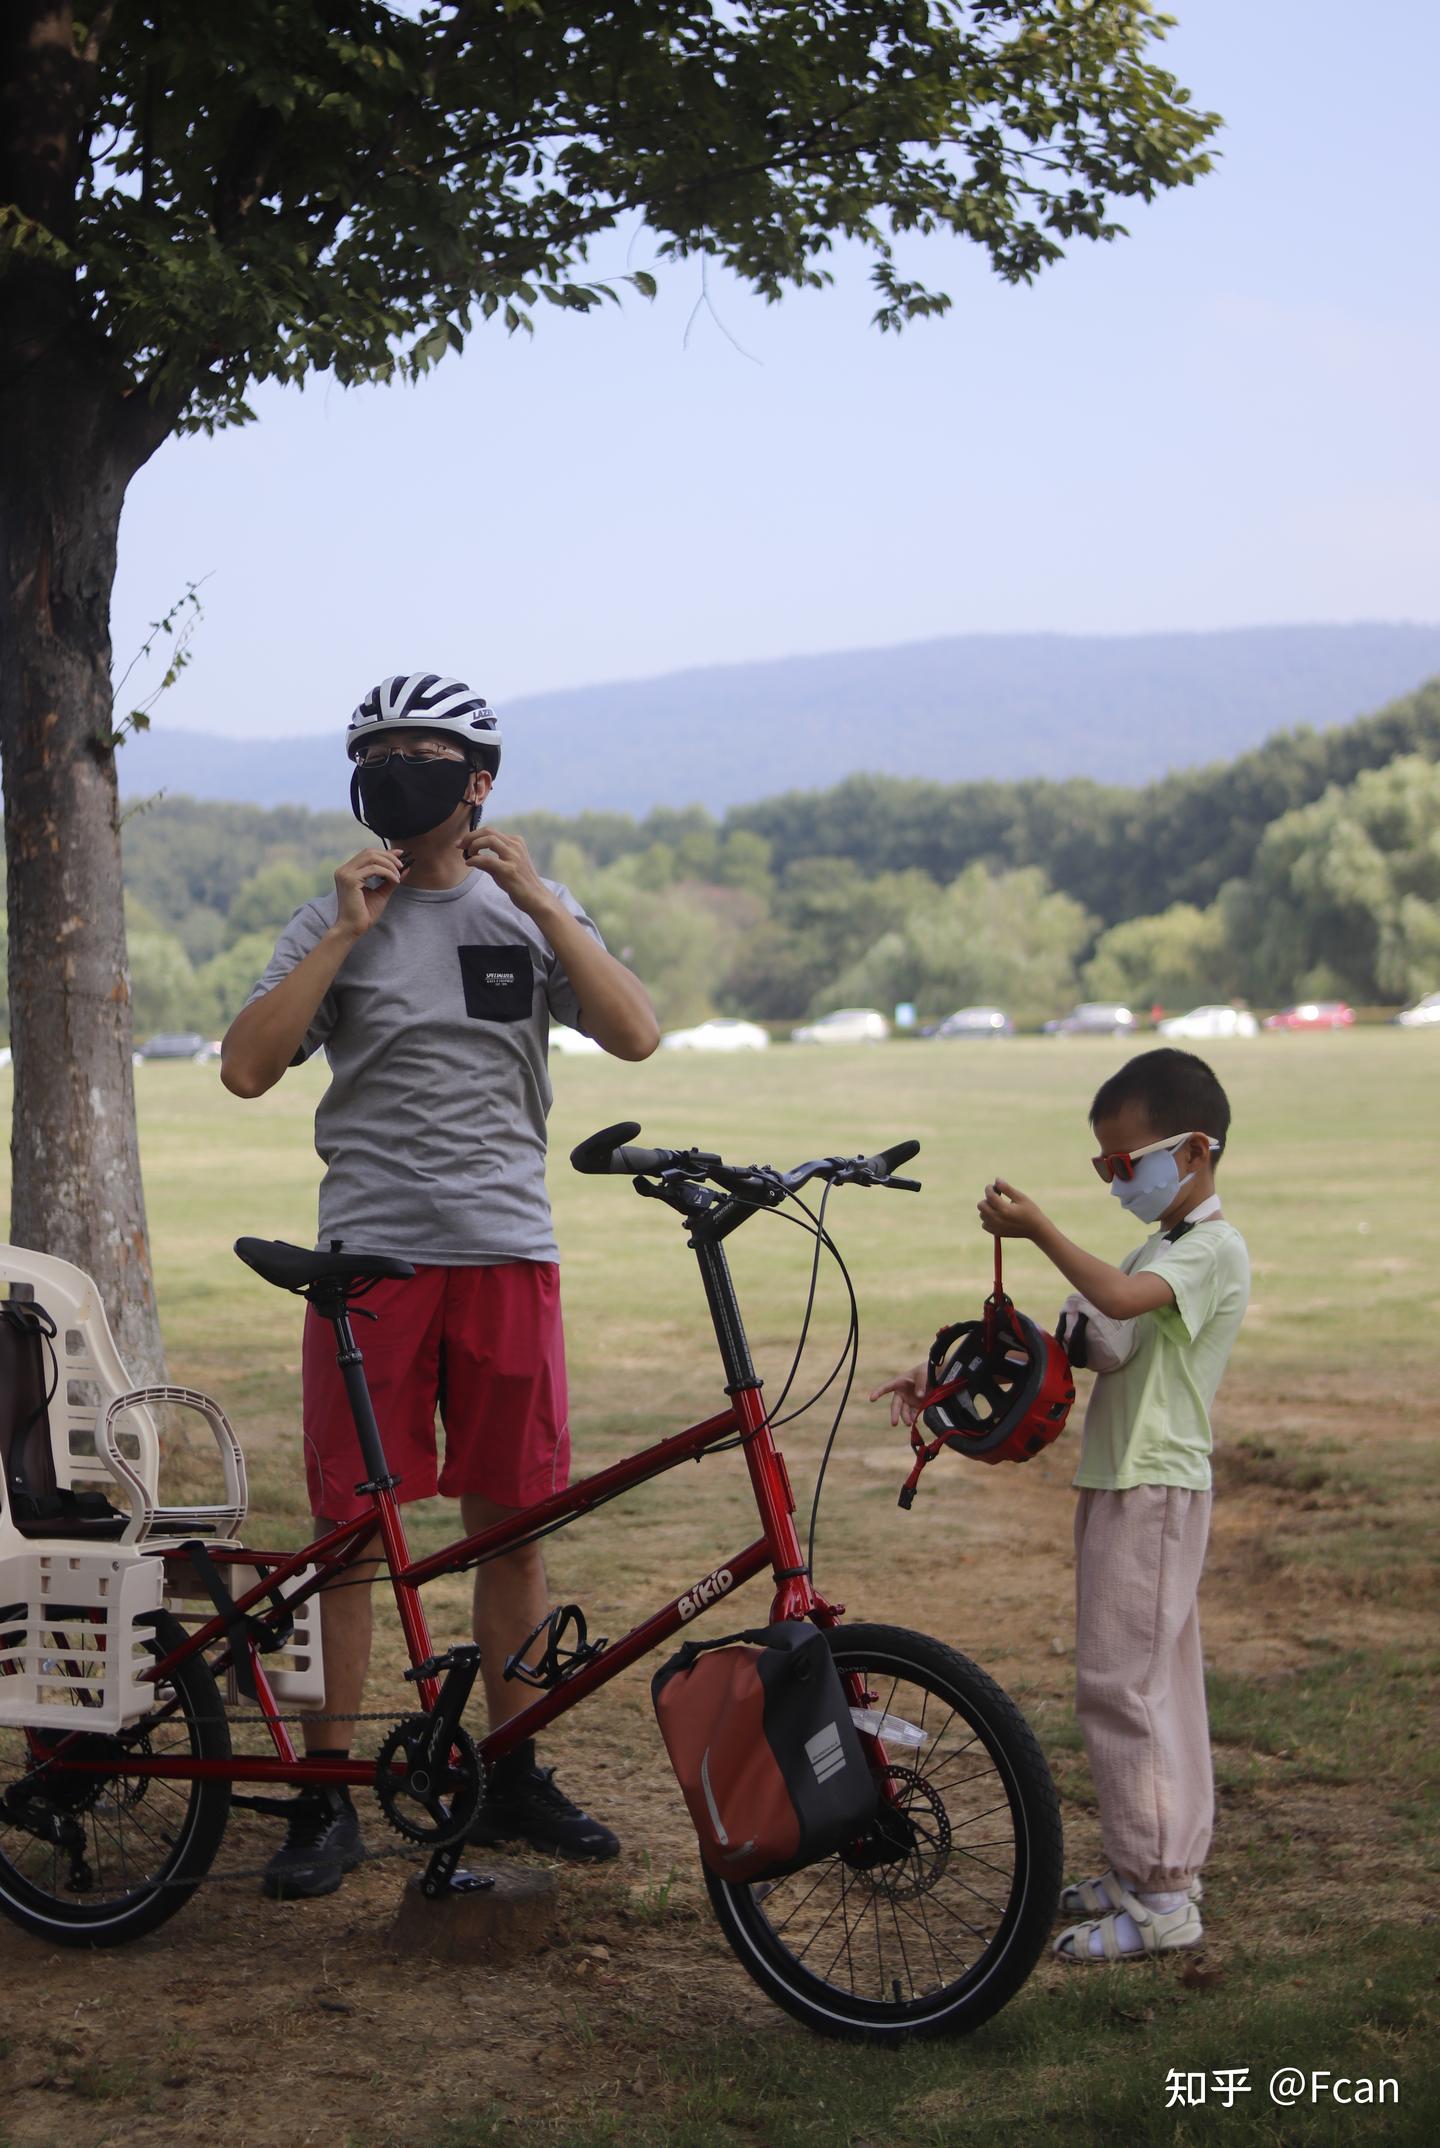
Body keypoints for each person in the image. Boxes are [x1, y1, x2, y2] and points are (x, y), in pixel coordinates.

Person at [222, 672, 660, 1899]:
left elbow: (634, 1034)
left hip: (507, 1252)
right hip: (368, 1265)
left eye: (420, 756)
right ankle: (326, 1797)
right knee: (349, 1540)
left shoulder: (530, 909)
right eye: (375, 756)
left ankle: (512, 1770)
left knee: (509, 1528)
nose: (393, 774)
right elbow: (247, 1069)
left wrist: (540, 901)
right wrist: (345, 933)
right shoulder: (331, 918)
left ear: (478, 782)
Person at [872, 1048, 1249, 1962]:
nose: (1117, 1182)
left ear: (1195, 1150)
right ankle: (1150, 1870)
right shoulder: (1162, 1246)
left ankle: (1162, 1899)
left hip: (1153, 1489)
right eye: (1103, 1166)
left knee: (1123, 1688)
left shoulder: (1211, 1249)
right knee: (1155, 1684)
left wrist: (1039, 1226)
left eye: (1126, 1163)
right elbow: (1081, 1338)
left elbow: (1115, 1299)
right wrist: (947, 1372)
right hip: (1129, 1484)